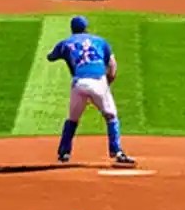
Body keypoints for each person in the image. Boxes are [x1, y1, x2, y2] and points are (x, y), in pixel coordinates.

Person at [47, 15, 135, 166]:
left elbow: (51, 57)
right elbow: (112, 66)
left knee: (72, 119)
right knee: (111, 116)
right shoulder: (100, 41)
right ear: (86, 27)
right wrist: (106, 85)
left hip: (78, 83)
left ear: (72, 28)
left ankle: (64, 152)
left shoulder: (66, 43)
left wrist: (65, 53)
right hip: (98, 81)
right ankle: (117, 151)